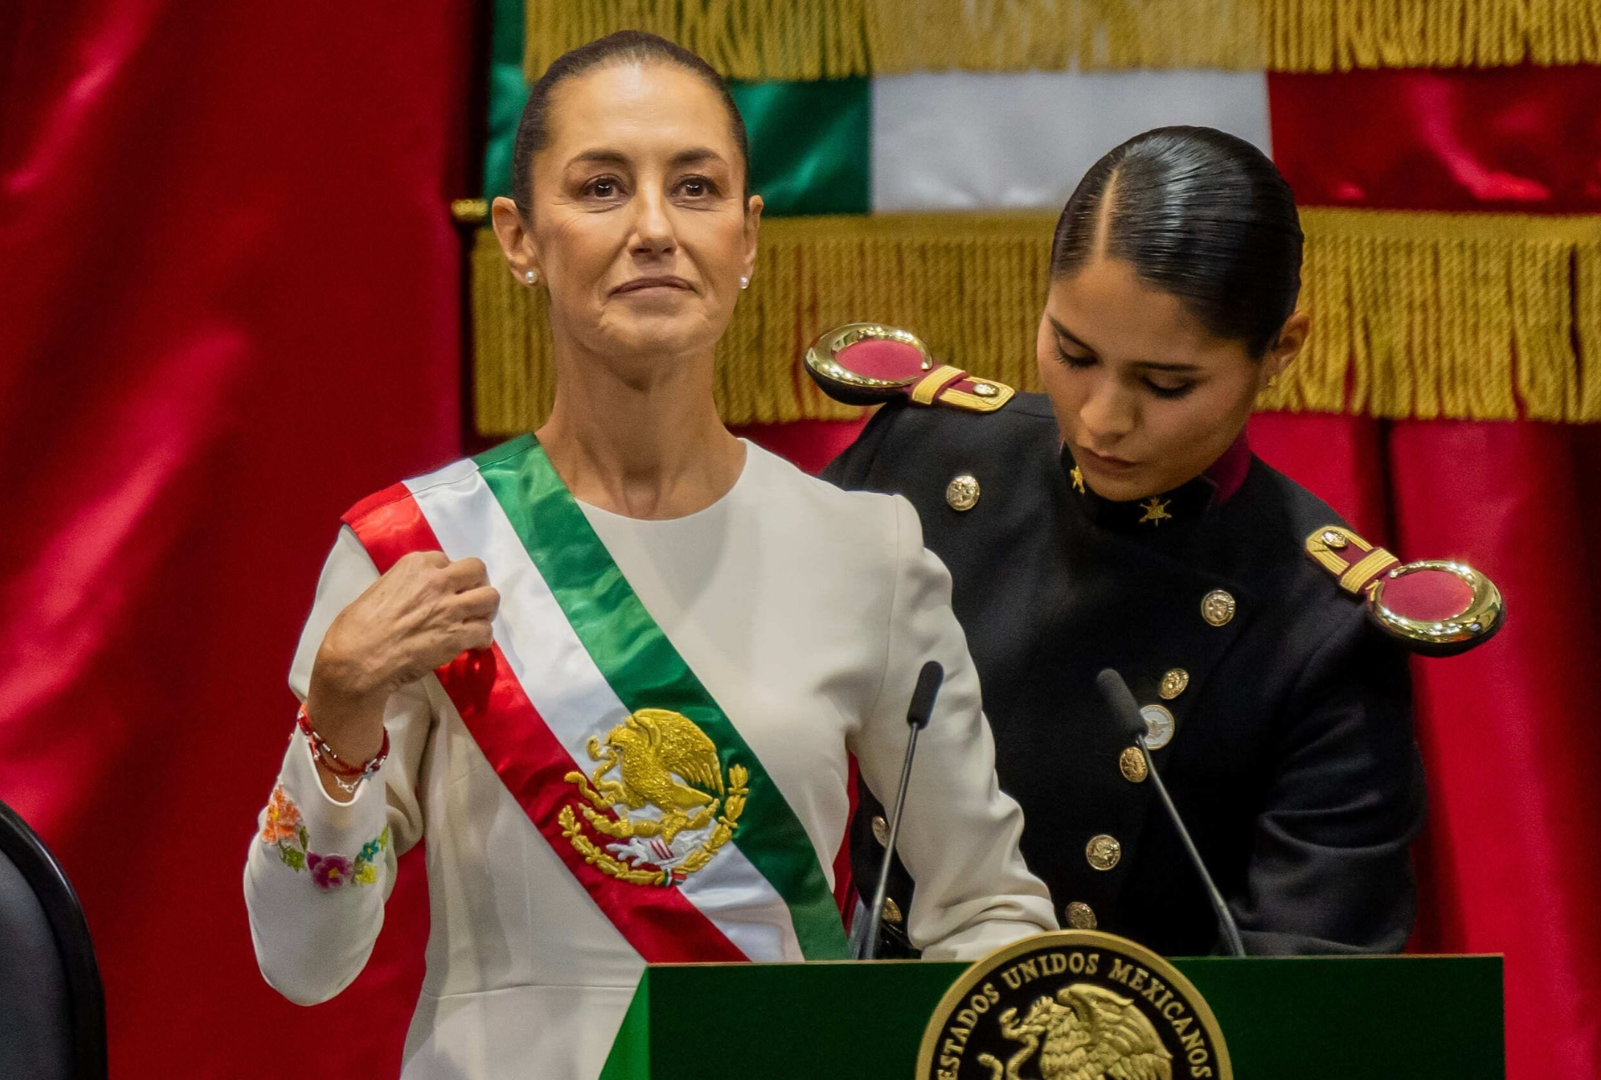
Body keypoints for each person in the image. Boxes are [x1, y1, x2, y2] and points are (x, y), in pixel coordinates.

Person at [243, 31, 1053, 1079]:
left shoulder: (868, 552)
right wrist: (341, 714)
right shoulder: (414, 556)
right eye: (602, 188)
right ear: (518, 237)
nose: (657, 229)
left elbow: (986, 910)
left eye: (698, 187)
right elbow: (301, 962)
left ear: (749, 238)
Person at [818, 126, 1501, 957]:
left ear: (1280, 351)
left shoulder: (1321, 626)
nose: (1104, 418)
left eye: (1166, 383)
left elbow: (1311, 985)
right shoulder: (924, 458)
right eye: (1073, 353)